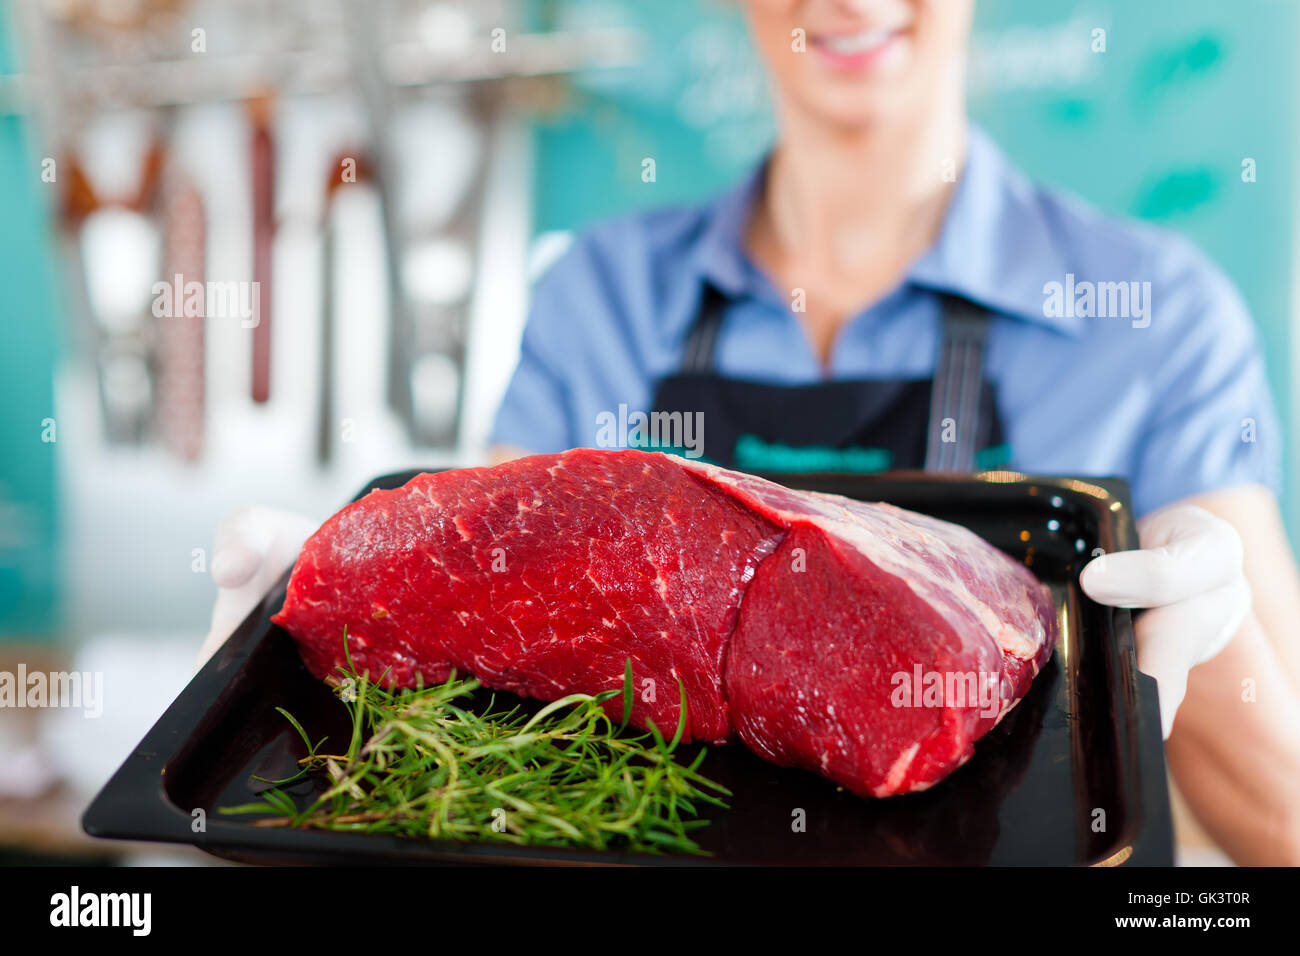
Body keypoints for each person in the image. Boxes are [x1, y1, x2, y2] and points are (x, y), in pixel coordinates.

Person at [200, 0, 1300, 863]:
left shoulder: (1157, 311)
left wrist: (1204, 646)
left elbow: (1279, 830)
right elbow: (480, 637)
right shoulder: (604, 289)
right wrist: (295, 662)